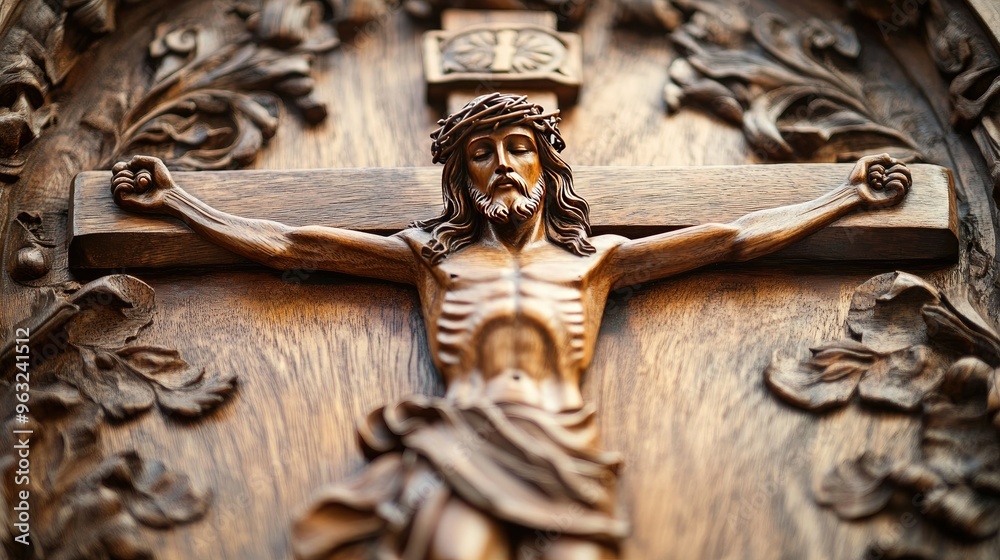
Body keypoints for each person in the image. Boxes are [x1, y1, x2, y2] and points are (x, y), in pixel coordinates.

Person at [111, 92, 911, 560]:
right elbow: (290, 243)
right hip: (461, 445)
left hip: (560, 448)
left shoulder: (597, 262)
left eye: (518, 148)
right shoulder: (431, 259)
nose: (501, 162)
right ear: (462, 178)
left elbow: (735, 240)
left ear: (543, 166)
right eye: (483, 152)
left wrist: (843, 198)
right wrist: (178, 203)